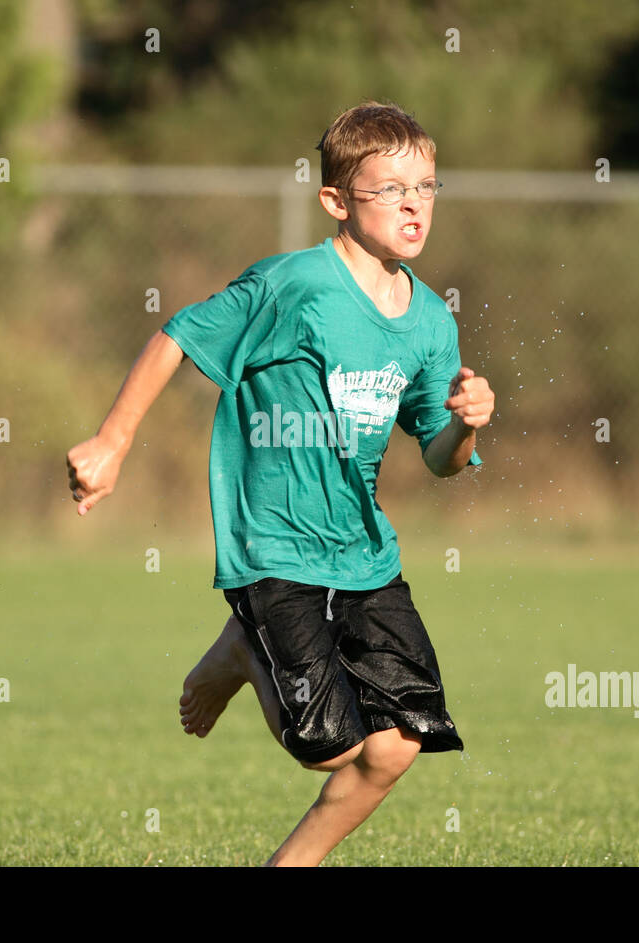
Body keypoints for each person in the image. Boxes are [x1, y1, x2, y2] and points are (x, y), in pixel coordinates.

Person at [66, 100, 494, 866]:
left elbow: (439, 458)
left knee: (398, 748)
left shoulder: (431, 320)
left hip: (364, 554)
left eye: (426, 188)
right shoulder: (291, 285)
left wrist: (466, 424)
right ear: (336, 201)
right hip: (273, 545)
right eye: (389, 188)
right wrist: (112, 439)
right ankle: (240, 650)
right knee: (329, 750)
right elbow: (177, 337)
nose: (413, 204)